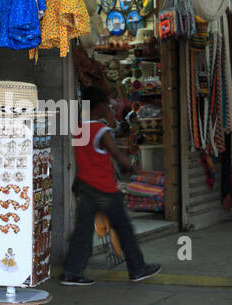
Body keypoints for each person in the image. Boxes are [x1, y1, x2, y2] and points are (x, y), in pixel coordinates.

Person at [60, 86, 161, 286]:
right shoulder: (100, 130)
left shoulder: (79, 128)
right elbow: (117, 155)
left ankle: (71, 272)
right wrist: (134, 168)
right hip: (104, 188)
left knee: (83, 231)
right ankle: (137, 268)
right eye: (107, 104)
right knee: (124, 228)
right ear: (100, 106)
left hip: (85, 186)